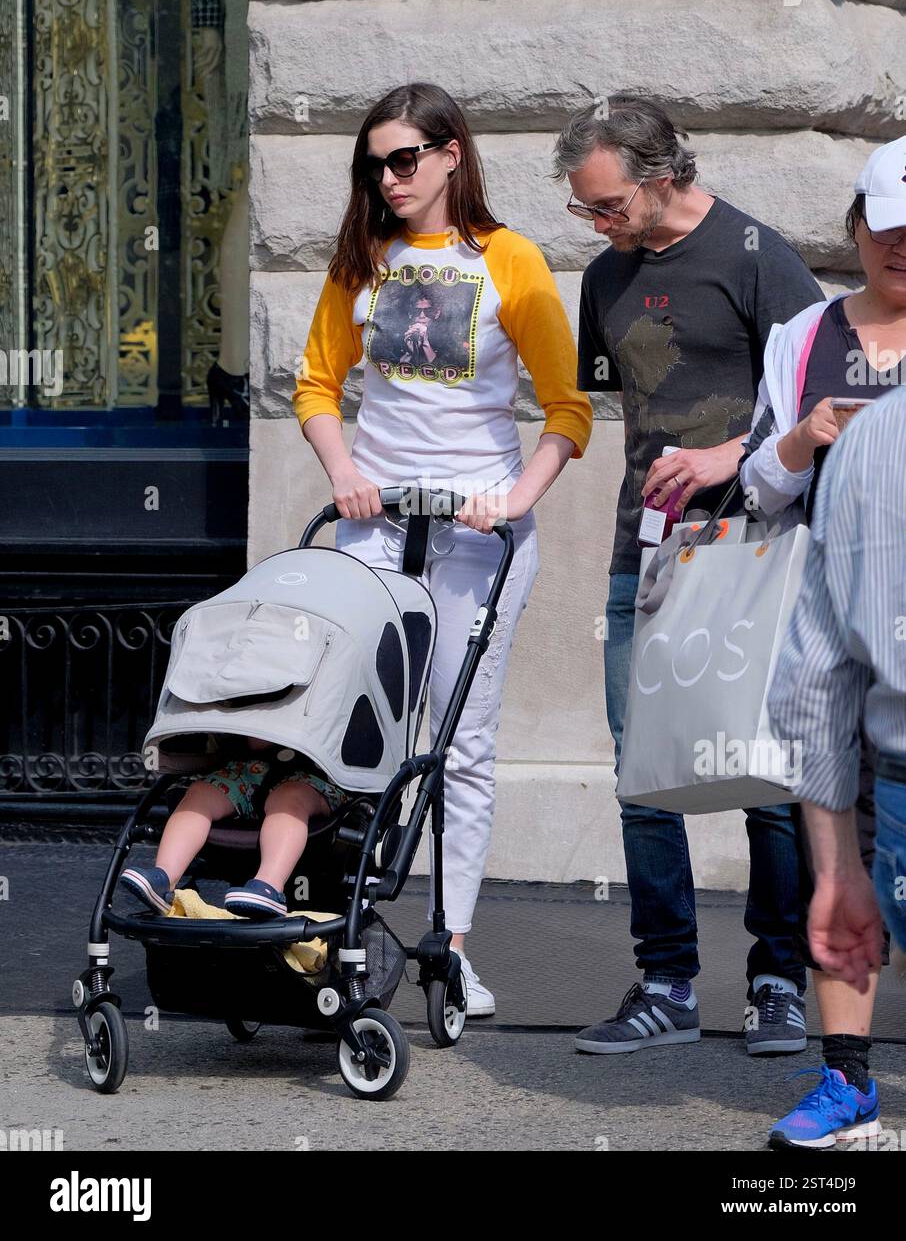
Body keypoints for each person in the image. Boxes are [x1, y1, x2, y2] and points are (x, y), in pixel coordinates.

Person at [292, 82, 592, 1015]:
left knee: (461, 742)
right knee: (348, 730)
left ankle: (451, 947)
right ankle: (328, 925)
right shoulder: (362, 258)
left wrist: (515, 499)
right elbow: (316, 384)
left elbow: (567, 409)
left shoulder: (510, 259)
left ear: (451, 154)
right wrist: (344, 468)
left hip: (476, 538)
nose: (388, 179)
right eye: (374, 165)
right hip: (375, 527)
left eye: (404, 159)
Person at [557, 94, 824, 1054]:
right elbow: (619, 407)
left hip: (758, 551)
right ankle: (666, 983)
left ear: (663, 178)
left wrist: (729, 454)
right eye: (584, 208)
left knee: (766, 777)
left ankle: (777, 982)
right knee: (644, 772)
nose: (598, 225)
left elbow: (821, 404)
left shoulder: (759, 258)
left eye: (608, 205)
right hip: (647, 558)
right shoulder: (604, 278)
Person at [747, 137, 906, 1148]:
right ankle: (847, 1079)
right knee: (839, 859)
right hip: (834, 627)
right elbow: (761, 486)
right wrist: (803, 439)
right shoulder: (806, 334)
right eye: (888, 229)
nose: (903, 248)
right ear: (855, 226)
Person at [120, 736, 345, 917]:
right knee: (200, 793)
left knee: (288, 801)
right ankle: (164, 877)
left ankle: (269, 886)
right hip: (246, 769)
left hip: (316, 774)